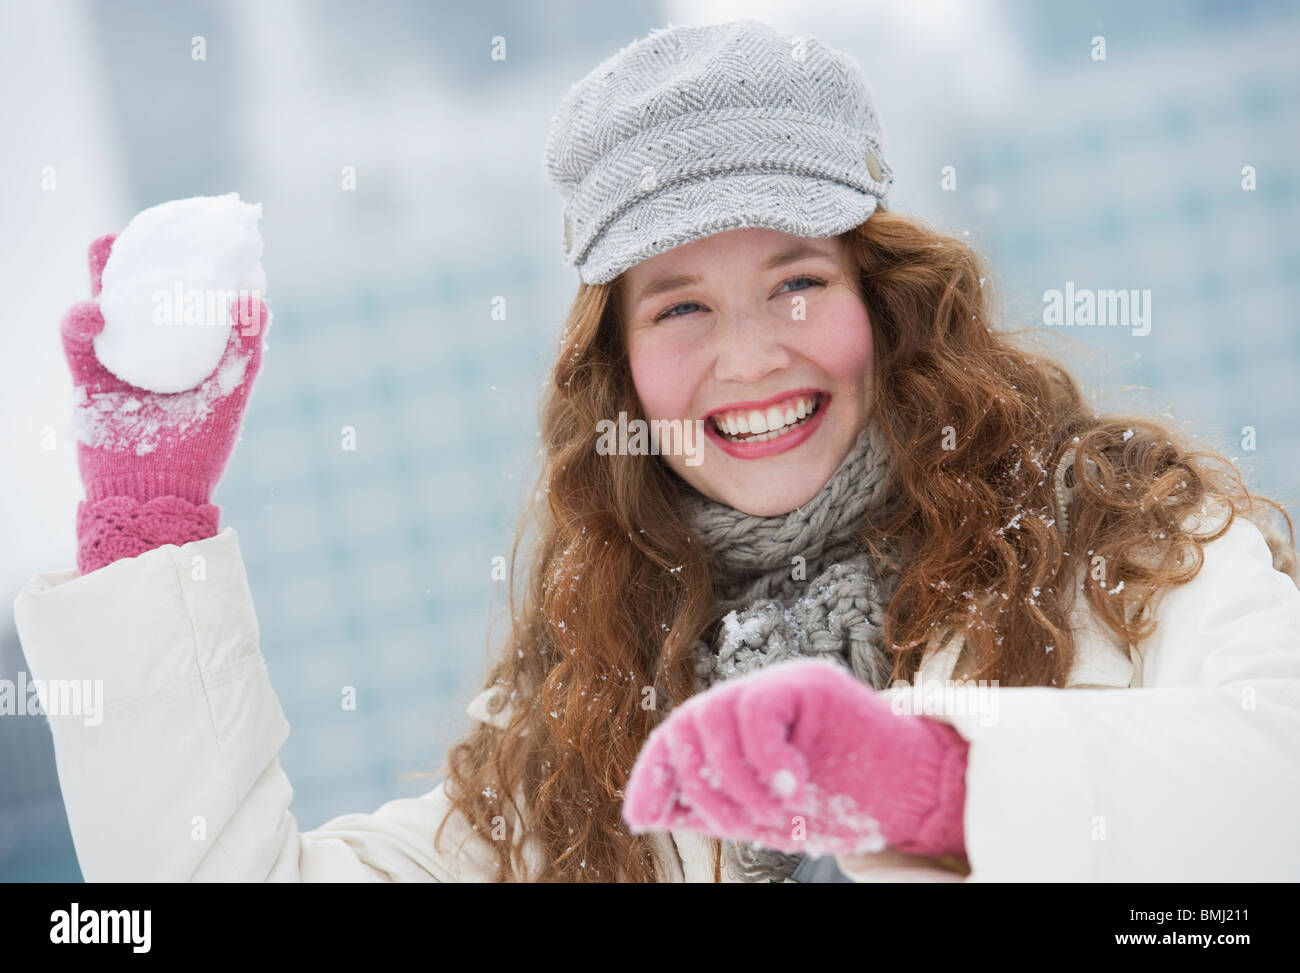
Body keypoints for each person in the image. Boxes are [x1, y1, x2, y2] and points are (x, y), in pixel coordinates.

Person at [15, 19, 1300, 884]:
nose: (748, 356)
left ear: (884, 303)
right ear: (618, 371)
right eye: (680, 306)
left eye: (795, 282)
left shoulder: (1121, 544)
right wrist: (147, 523)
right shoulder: (582, 735)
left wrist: (937, 786)